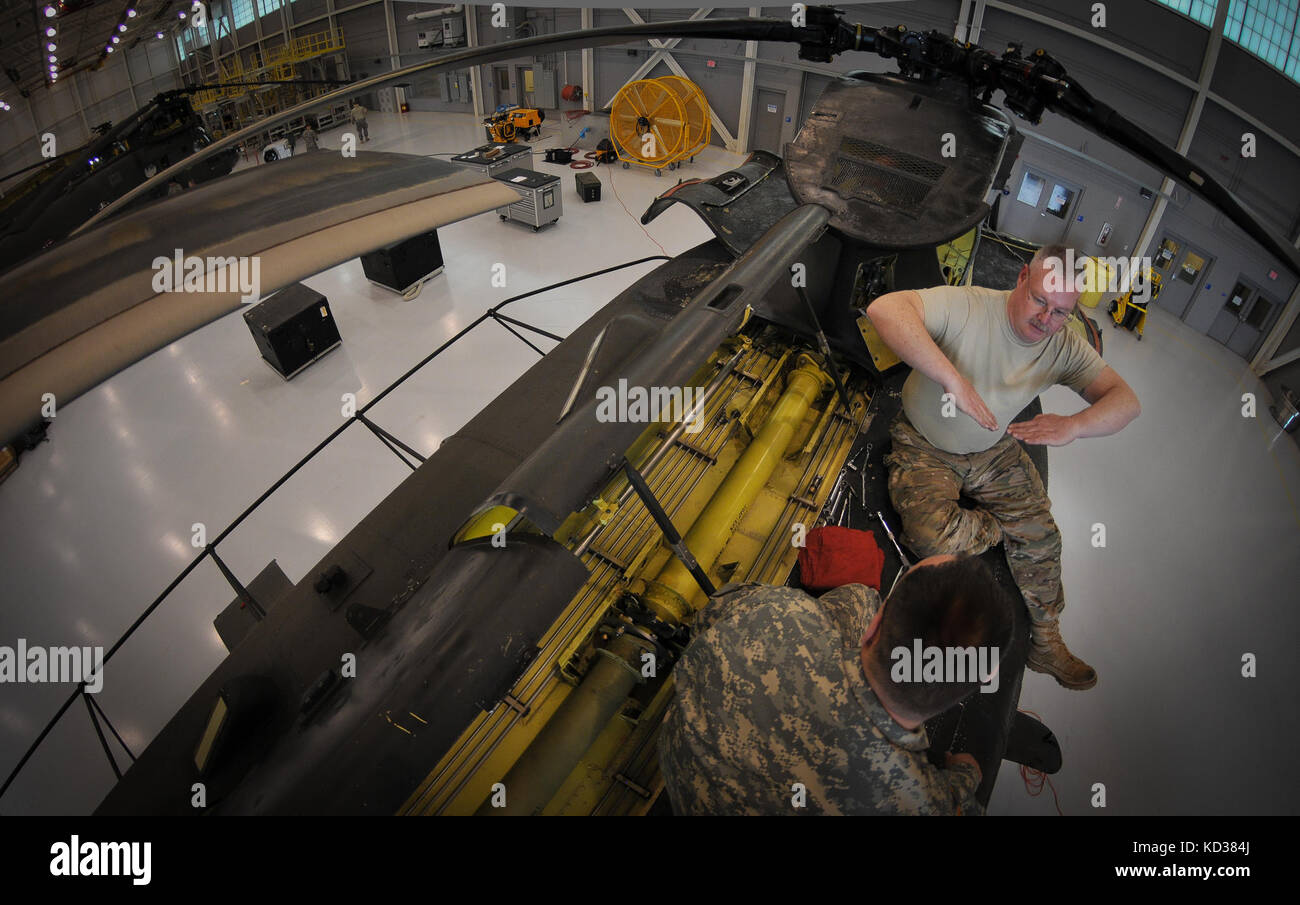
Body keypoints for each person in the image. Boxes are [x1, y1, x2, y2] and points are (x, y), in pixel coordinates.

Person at [865, 244, 1140, 690]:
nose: (1045, 319)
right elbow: (886, 309)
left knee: (1044, 536)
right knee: (930, 537)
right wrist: (952, 379)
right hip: (924, 444)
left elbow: (1126, 402)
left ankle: (1046, 642)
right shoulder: (971, 307)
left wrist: (1074, 426)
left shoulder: (1062, 344)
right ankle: (998, 528)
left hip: (992, 447)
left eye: (1060, 312)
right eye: (1039, 300)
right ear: (1021, 278)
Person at [659, 553, 1014, 815]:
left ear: (873, 627)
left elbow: (708, 617)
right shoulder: (920, 802)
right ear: (976, 684)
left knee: (860, 596)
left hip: (679, 777)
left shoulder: (778, 613)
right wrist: (966, 775)